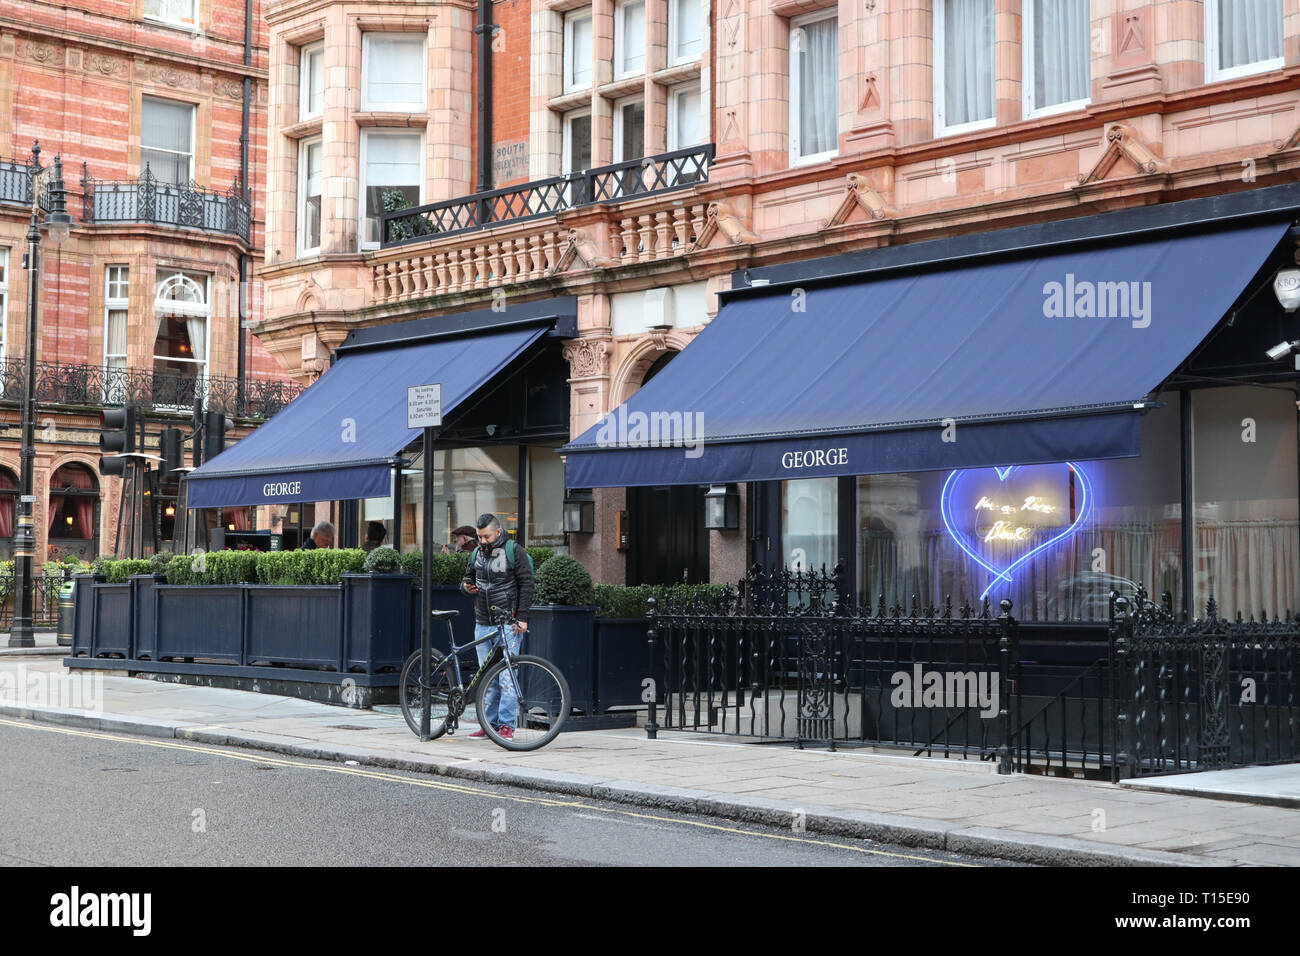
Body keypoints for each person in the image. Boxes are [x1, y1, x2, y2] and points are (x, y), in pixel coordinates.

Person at [460, 513, 533, 740]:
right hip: (482, 622)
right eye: (479, 536)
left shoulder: (514, 551)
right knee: (486, 678)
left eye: (486, 536)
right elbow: (467, 577)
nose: (482, 541)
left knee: (507, 678)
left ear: (498, 532)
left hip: (508, 623)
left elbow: (526, 584)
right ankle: (487, 723)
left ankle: (506, 726)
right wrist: (465, 587)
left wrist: (521, 618)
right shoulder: (476, 553)